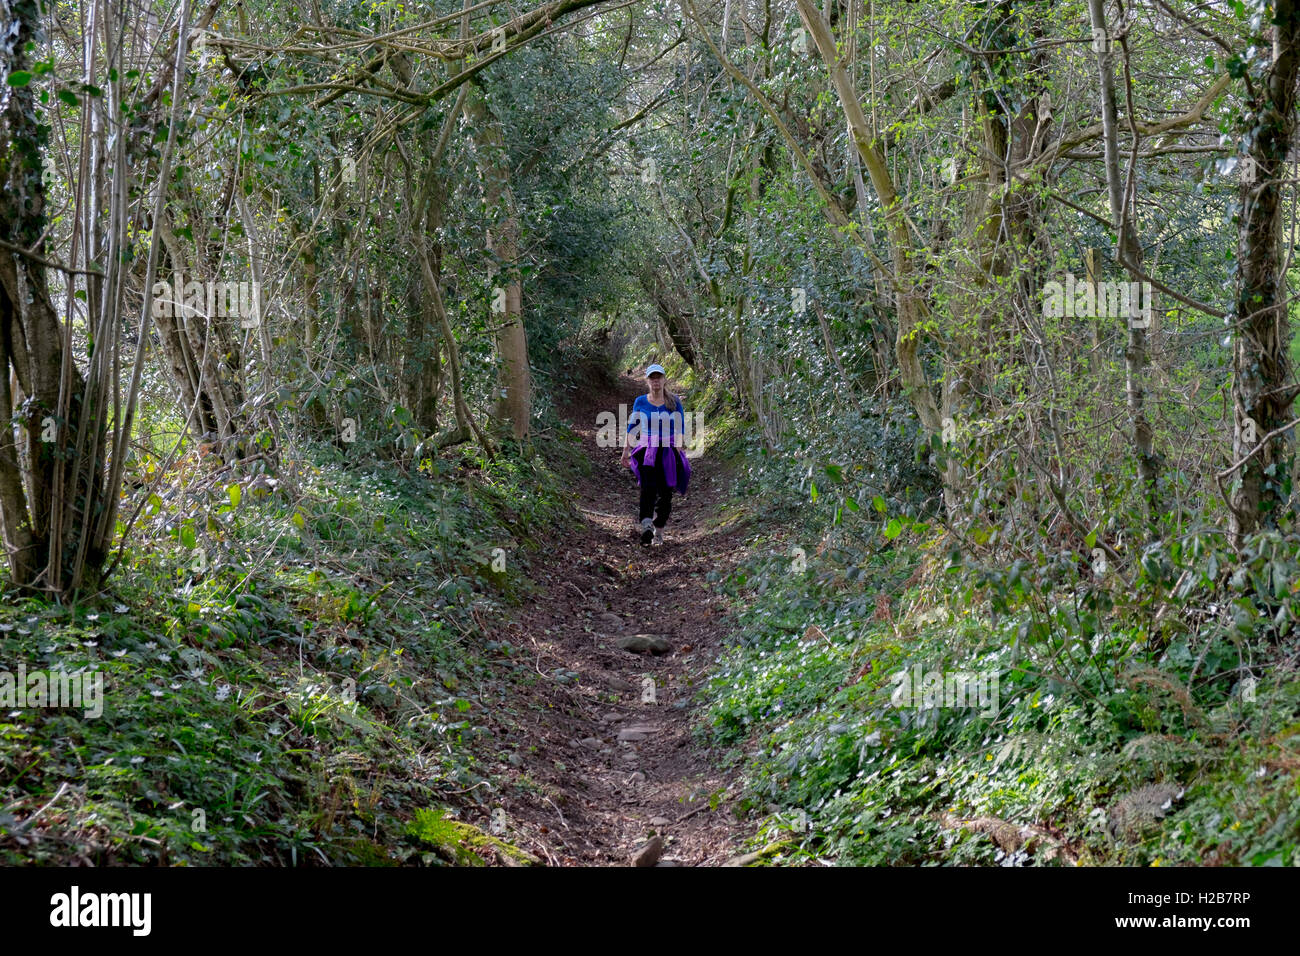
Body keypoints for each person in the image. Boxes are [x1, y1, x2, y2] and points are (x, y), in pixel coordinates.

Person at [620, 364, 690, 546]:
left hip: (668, 450)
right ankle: (646, 526)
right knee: (648, 488)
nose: (656, 380)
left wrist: (679, 445)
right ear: (648, 380)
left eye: (659, 377)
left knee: (666, 493)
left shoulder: (673, 401)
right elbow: (632, 427)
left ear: (664, 379)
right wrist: (626, 451)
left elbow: (680, 425)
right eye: (652, 377)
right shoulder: (640, 402)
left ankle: (659, 529)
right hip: (646, 450)